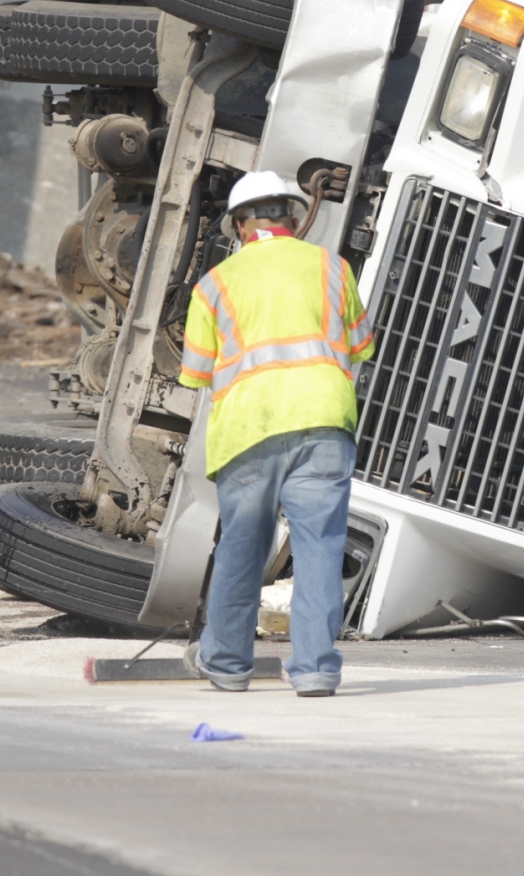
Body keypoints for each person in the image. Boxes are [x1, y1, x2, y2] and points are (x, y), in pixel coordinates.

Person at [179, 170, 374, 696]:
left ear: (240, 226)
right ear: (292, 218)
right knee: (320, 548)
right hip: (324, 422)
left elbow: (195, 373)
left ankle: (224, 663)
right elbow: (360, 347)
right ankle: (315, 671)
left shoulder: (215, 283)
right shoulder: (333, 268)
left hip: (249, 431)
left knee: (243, 546)